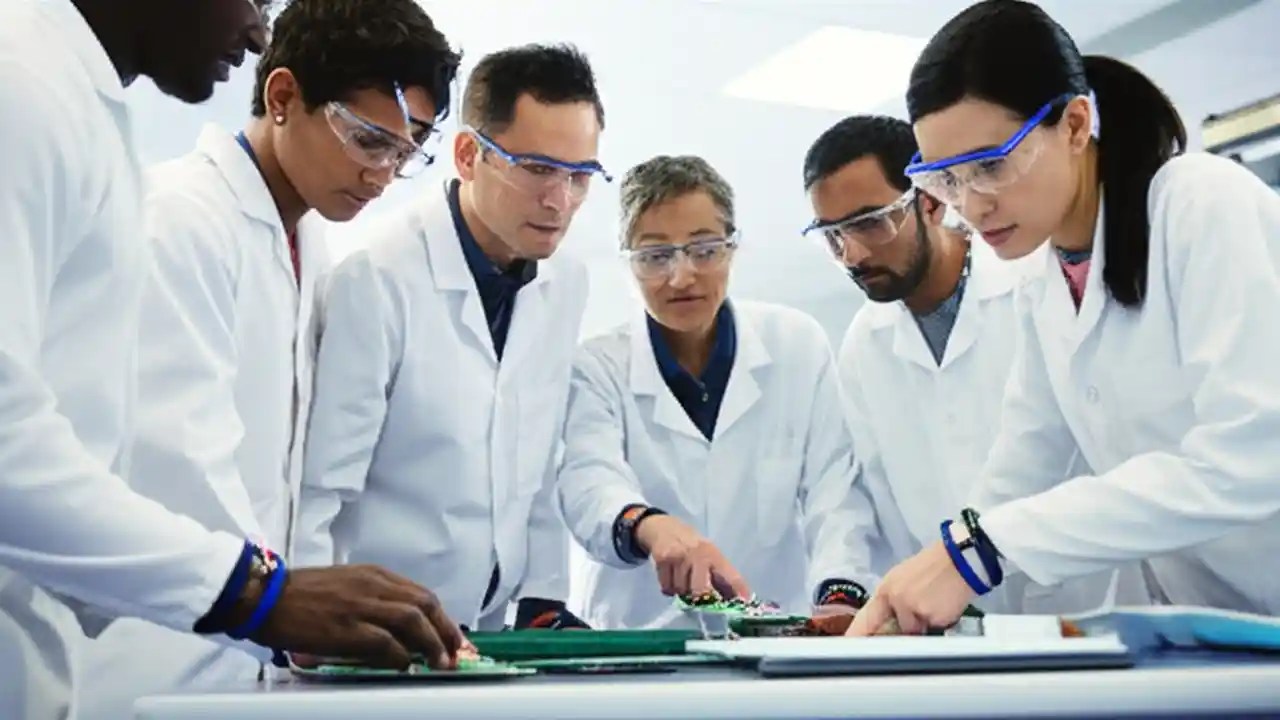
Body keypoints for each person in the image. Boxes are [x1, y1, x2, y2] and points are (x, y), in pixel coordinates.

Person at [0, 1, 466, 717]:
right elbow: (171, 466)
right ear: (284, 99)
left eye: (403, 155)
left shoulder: (309, 244)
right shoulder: (178, 216)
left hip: (208, 648)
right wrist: (269, 598)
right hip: (144, 657)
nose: (382, 175)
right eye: (370, 141)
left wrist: (293, 605)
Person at [849, 0, 1280, 636]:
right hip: (1225, 628)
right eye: (948, 180)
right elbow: (1024, 465)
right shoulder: (1042, 279)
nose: (972, 204)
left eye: (991, 165)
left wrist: (986, 548)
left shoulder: (1199, 202)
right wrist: (927, 585)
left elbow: (1253, 456)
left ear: (1075, 124)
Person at [294, 44, 609, 633]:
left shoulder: (566, 280)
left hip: (491, 629)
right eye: (538, 169)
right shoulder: (377, 276)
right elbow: (322, 488)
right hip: (378, 628)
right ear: (468, 155)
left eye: (581, 176)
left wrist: (543, 596)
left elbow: (535, 459)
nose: (559, 201)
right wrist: (308, 631)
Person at [802, 115, 1146, 615]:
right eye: (832, 236)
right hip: (959, 624)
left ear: (932, 200)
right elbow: (864, 498)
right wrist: (844, 589)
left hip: (1091, 605)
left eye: (870, 223)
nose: (853, 254)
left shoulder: (1033, 285)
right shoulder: (863, 344)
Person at [557, 154, 881, 629]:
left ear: (732, 247)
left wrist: (839, 591)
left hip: (773, 635)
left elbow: (834, 491)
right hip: (640, 641)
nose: (681, 276)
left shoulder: (796, 344)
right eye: (654, 256)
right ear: (627, 263)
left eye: (704, 249)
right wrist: (650, 526)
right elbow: (591, 482)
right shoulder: (597, 366)